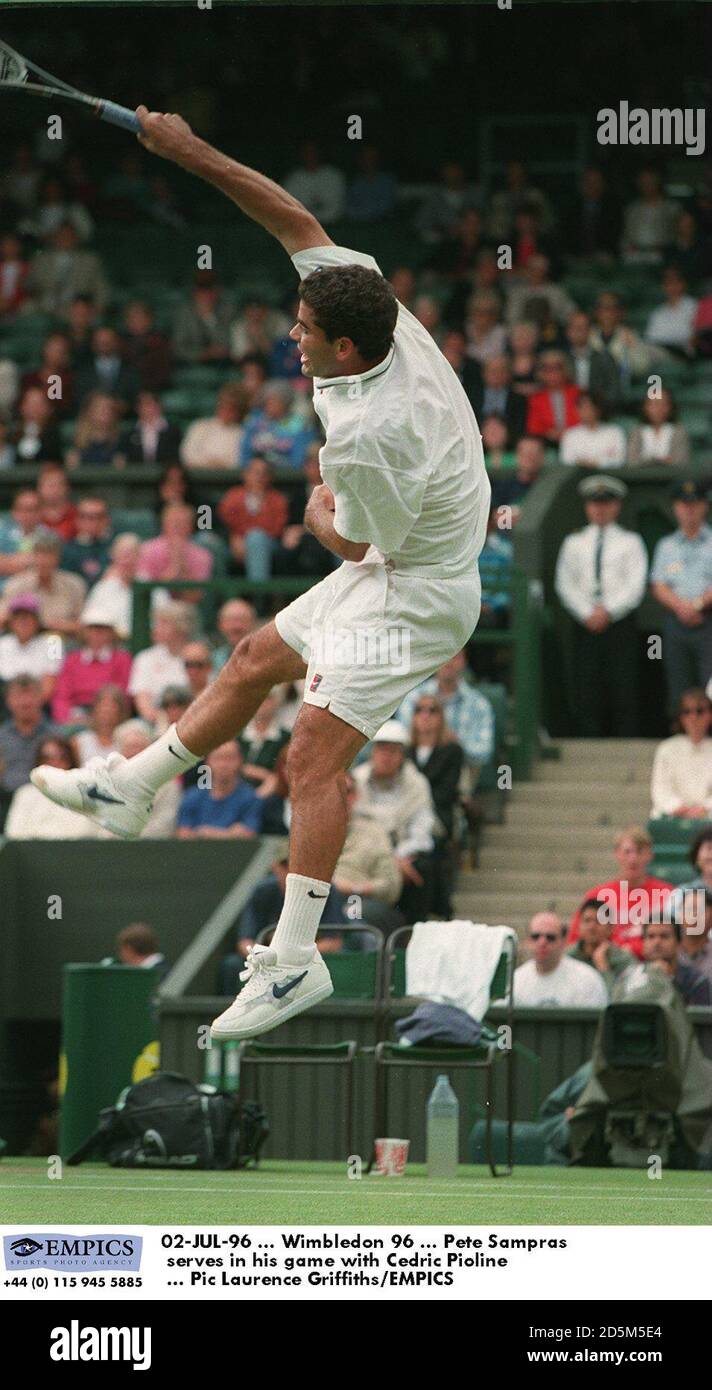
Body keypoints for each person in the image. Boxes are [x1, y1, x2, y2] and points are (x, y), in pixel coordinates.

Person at [32, 106, 489, 1043]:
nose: (293, 330)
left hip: (416, 591)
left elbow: (366, 549)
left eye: (306, 328)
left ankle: (292, 961)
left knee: (310, 757)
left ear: (347, 350)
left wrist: (319, 510)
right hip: (404, 561)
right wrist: (192, 151)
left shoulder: (368, 437)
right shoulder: (369, 303)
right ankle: (136, 787)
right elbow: (292, 221)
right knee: (248, 658)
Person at [554, 475, 647, 737]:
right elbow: (564, 584)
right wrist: (587, 613)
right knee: (586, 684)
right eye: (594, 503)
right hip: (585, 623)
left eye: (606, 503)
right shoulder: (574, 542)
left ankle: (626, 741)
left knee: (623, 683)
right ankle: (587, 740)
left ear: (617, 506)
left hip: (620, 622)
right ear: (587, 506)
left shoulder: (631, 542)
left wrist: (608, 611)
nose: (600, 509)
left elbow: (635, 586)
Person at [351, 721, 437, 925]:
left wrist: (394, 858)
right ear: (372, 752)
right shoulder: (357, 779)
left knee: (421, 869)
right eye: (381, 749)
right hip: (362, 850)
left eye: (393, 751)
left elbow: (422, 835)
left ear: (402, 756)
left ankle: (410, 931)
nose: (386, 756)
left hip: (401, 851)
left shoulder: (418, 784)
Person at [650, 479, 712, 714]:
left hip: (708, 622)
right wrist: (681, 608)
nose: (689, 509)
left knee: (710, 685)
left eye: (694, 503)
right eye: (683, 504)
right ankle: (680, 740)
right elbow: (658, 585)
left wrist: (696, 605)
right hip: (674, 625)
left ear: (704, 506)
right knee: (677, 684)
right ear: (675, 508)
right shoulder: (666, 546)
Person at [568, 825, 673, 959]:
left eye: (639, 852)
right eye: (627, 852)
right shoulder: (597, 896)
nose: (633, 859)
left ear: (650, 855)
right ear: (617, 854)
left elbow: (676, 941)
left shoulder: (667, 894)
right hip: (606, 966)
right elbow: (576, 940)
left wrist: (632, 950)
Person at [397, 651, 494, 785]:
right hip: (413, 771)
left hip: (457, 778)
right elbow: (401, 741)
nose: (448, 662)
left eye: (455, 657)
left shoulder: (479, 704)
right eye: (443, 654)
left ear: (464, 662)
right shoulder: (413, 698)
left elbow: (483, 753)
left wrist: (452, 741)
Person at [5, 735, 99, 840]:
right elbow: (13, 833)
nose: (55, 763)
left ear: (70, 761)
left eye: (62, 758)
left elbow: (94, 833)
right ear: (39, 762)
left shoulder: (87, 795)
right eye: (47, 758)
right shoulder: (24, 793)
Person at [50, 604, 132, 724]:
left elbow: (124, 696)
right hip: (77, 716)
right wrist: (67, 717)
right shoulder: (72, 660)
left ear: (111, 633)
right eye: (92, 628)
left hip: (111, 716)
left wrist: (105, 714)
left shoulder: (122, 659)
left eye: (102, 629)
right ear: (84, 632)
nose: (97, 633)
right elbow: (61, 696)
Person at [512, 912, 608, 1008]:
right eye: (535, 937)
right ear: (528, 941)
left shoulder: (587, 980)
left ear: (563, 941)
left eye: (550, 937)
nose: (542, 943)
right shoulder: (516, 980)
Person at [1, 532, 86, 638]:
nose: (45, 560)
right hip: (25, 642)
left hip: (63, 641)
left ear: (58, 557)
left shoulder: (74, 584)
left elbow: (85, 625)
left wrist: (62, 626)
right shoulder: (16, 584)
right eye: (40, 554)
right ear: (32, 555)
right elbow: (3, 619)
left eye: (50, 554)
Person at [218, 455, 289, 581]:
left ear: (269, 477)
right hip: (233, 546)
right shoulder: (232, 496)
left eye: (264, 473)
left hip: (267, 545)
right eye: (255, 472)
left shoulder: (277, 499)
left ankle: (258, 597)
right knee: (206, 541)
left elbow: (277, 530)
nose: (259, 477)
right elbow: (221, 522)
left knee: (256, 538)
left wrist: (247, 540)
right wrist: (233, 538)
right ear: (245, 474)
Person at [0, 675, 57, 827]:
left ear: (41, 698)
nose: (25, 702)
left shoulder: (56, 736)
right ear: (8, 701)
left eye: (30, 694)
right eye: (18, 695)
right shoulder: (1, 736)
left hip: (46, 801)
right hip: (5, 801)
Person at [176, 740, 264, 838]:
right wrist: (230, 834)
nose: (223, 765)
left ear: (240, 761)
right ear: (208, 761)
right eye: (218, 758)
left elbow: (248, 833)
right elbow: (183, 834)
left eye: (230, 758)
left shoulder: (250, 798)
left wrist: (204, 833)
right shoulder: (192, 796)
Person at [650, 689, 712, 818]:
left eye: (699, 711)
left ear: (709, 715)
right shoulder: (667, 749)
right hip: (673, 816)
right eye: (687, 711)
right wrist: (678, 808)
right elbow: (660, 789)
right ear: (681, 717)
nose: (693, 717)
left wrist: (704, 808)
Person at [127, 602, 191, 725]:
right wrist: (161, 722)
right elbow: (142, 700)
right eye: (157, 623)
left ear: (181, 627)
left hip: (191, 721)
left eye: (164, 623)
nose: (156, 628)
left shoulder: (196, 657)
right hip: (154, 723)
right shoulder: (145, 658)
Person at [0, 593, 62, 704]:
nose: (23, 621)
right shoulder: (2, 643)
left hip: (38, 704)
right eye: (18, 617)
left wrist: (26, 704)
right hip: (4, 702)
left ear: (37, 620)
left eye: (28, 616)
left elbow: (50, 686)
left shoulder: (53, 643)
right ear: (11, 622)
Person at [566, 897, 634, 994]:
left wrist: (603, 967)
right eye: (587, 921)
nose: (591, 927)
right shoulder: (567, 957)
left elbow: (619, 1000)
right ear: (579, 926)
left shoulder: (623, 960)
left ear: (610, 928)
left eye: (599, 921)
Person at [84, 532, 141, 642]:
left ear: (139, 557)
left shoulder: (151, 587)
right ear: (114, 558)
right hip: (111, 646)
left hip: (143, 644)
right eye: (122, 556)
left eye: (131, 555)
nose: (126, 561)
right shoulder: (103, 588)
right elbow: (89, 621)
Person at [641, 918, 712, 1006]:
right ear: (643, 943)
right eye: (651, 936)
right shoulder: (631, 979)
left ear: (678, 943)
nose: (657, 942)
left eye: (664, 936)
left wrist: (669, 981)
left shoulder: (696, 982)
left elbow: (700, 1018)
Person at [179, 382, 247, 469]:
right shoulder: (200, 426)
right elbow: (187, 454)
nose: (226, 412)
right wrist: (208, 463)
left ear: (238, 412)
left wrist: (218, 464)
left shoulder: (242, 432)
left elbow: (237, 461)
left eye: (231, 409)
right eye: (223, 407)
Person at [74, 326, 141, 410]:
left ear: (117, 342)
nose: (104, 343)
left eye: (108, 340)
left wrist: (121, 406)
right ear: (93, 343)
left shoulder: (130, 369)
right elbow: (79, 398)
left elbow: (137, 397)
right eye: (100, 340)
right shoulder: (83, 371)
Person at [564, 310, 620, 407]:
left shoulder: (605, 358)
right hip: (567, 412)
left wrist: (596, 408)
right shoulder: (561, 359)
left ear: (590, 331)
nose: (579, 331)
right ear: (568, 332)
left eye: (583, 327)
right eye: (575, 328)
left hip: (599, 412)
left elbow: (613, 391)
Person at [559, 391, 626, 468]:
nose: (585, 411)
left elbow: (619, 460)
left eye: (588, 407)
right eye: (581, 407)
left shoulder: (614, 432)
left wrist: (596, 463)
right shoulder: (570, 434)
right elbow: (566, 461)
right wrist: (583, 463)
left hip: (608, 477)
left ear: (598, 409)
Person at [525, 351, 580, 444]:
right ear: (541, 373)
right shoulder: (536, 398)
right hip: (547, 443)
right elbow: (533, 427)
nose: (552, 374)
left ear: (565, 370)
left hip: (577, 439)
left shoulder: (577, 393)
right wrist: (548, 433)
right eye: (547, 370)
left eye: (557, 369)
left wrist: (567, 432)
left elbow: (585, 418)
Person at [626, 389, 690, 468]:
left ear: (670, 407)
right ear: (645, 407)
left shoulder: (678, 431)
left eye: (663, 404)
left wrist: (647, 461)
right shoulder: (637, 432)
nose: (659, 409)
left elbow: (680, 462)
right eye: (654, 404)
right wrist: (659, 461)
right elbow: (632, 462)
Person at [60, 496, 113, 587]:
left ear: (107, 519)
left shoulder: (116, 546)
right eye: (88, 517)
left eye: (99, 517)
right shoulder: (67, 551)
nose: (94, 522)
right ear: (78, 520)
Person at [645, 267, 697, 358]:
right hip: (661, 350)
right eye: (668, 284)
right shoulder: (658, 312)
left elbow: (691, 336)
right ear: (663, 287)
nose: (672, 287)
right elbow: (651, 338)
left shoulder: (694, 306)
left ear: (683, 284)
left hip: (684, 351)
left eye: (676, 282)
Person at [72, 684, 131, 765]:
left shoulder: (128, 741)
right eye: (103, 705)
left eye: (112, 706)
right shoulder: (79, 742)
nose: (106, 710)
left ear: (121, 710)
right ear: (95, 708)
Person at [121, 390, 182, 465]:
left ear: (159, 406)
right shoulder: (129, 434)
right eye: (144, 405)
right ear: (137, 409)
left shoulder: (173, 431)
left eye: (152, 404)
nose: (149, 409)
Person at [0, 489, 43, 593]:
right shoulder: (2, 534)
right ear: (14, 511)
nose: (27, 514)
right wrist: (31, 561)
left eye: (32, 509)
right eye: (22, 509)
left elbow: (45, 568)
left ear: (40, 511)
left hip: (37, 595)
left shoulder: (51, 537)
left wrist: (8, 561)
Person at [210, 597, 257, 675]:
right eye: (230, 620)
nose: (236, 626)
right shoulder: (211, 660)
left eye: (242, 620)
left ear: (253, 624)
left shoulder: (263, 657)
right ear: (220, 625)